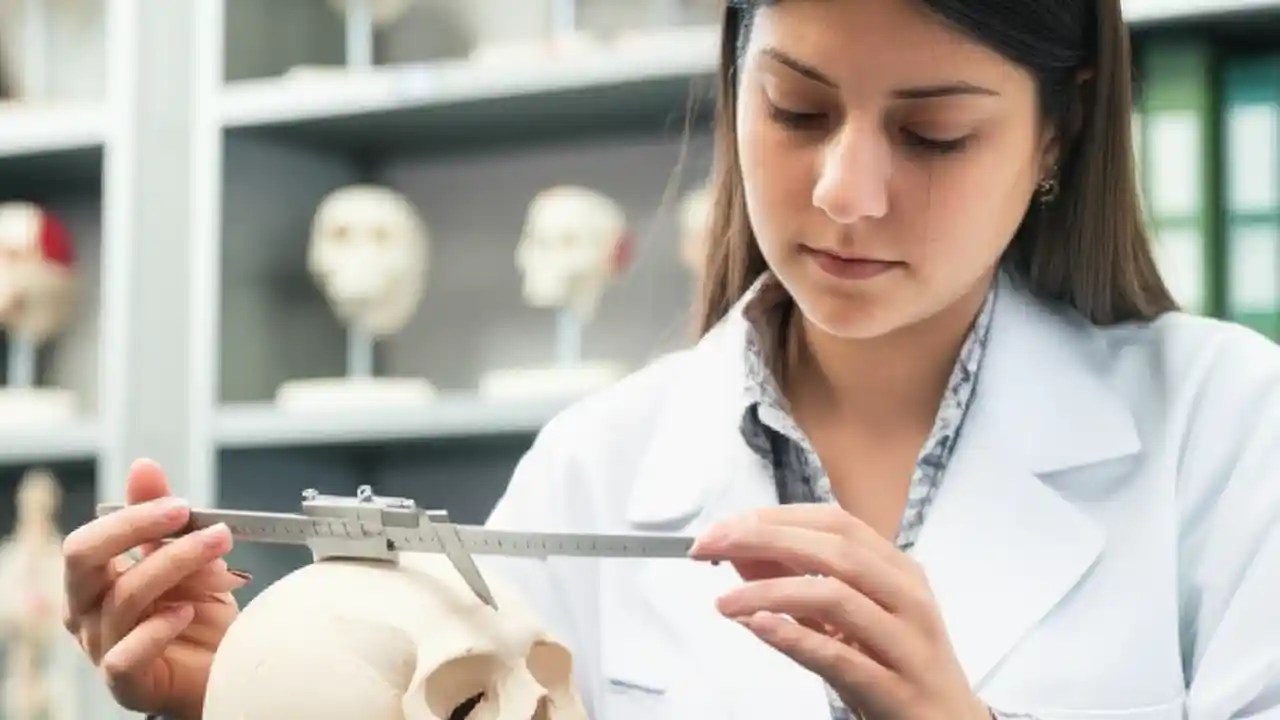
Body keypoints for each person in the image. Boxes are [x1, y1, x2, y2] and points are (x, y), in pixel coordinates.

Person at [60, 0, 1279, 718]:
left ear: (1059, 126)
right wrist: (268, 692)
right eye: (795, 110)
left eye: (934, 132)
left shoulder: (1226, 429)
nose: (846, 193)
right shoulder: (595, 465)